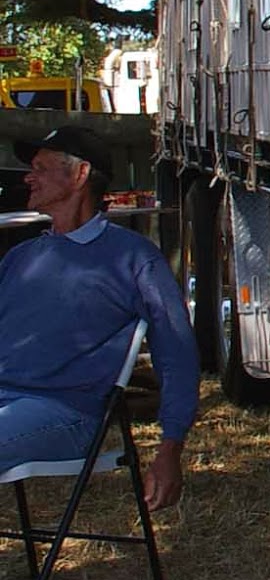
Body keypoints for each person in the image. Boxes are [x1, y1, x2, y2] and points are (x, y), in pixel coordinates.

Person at [0, 125, 199, 508]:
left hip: (64, 412)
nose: (28, 177)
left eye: (41, 168)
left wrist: (170, 446)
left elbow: (177, 352)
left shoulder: (132, 258)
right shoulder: (21, 257)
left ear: (80, 174)